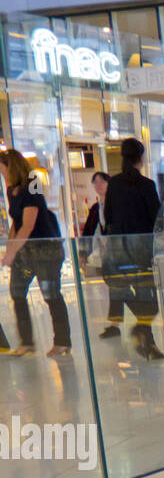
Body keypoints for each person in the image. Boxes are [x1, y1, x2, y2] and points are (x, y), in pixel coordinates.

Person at [0, 149, 71, 358]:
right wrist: (9, 248)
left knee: (51, 294)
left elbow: (28, 224)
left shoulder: (31, 185)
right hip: (26, 251)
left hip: (45, 249)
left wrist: (12, 251)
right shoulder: (12, 189)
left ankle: (62, 341)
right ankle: (27, 342)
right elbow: (17, 223)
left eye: (2, 168)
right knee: (17, 292)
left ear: (10, 166)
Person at [103, 137, 164, 359]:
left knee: (128, 291)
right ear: (141, 158)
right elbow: (158, 219)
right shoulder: (147, 185)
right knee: (151, 297)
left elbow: (108, 216)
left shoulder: (114, 184)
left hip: (119, 249)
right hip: (142, 250)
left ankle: (148, 342)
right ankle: (144, 335)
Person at [80, 171, 124, 339]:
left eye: (102, 181)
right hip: (110, 256)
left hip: (122, 254)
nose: (98, 185)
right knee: (116, 289)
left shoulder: (119, 205)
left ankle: (141, 322)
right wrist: (83, 253)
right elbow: (88, 232)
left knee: (120, 289)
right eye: (95, 182)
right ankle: (116, 324)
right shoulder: (96, 209)